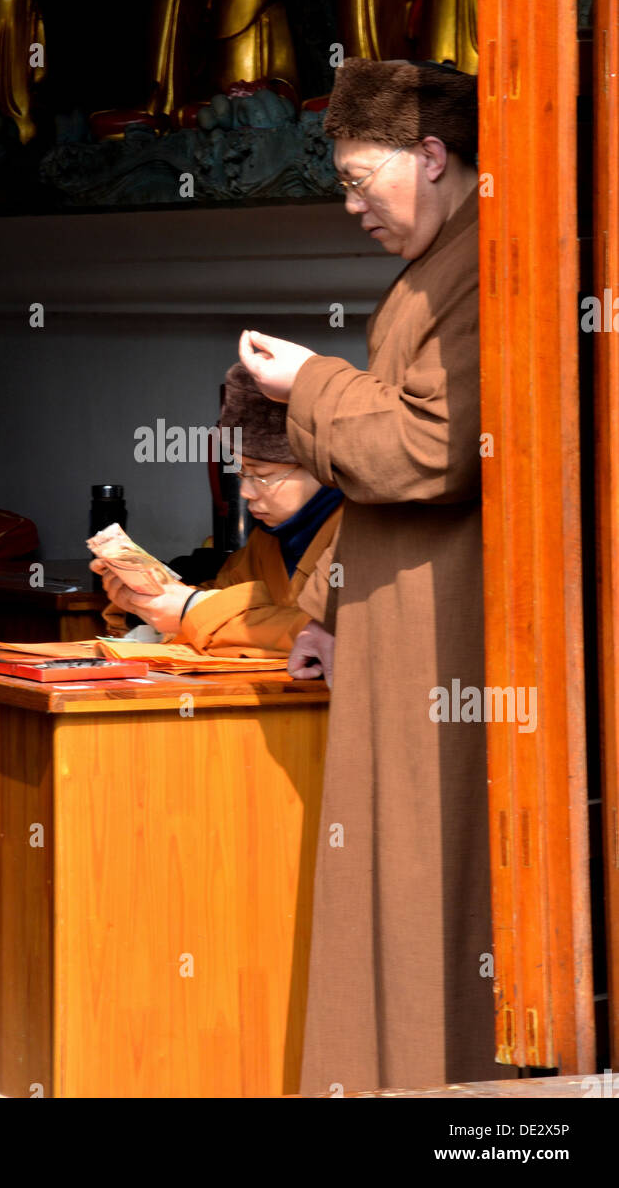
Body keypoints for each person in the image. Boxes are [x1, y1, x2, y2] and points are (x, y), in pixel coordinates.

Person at [239, 56, 515, 1094]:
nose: (351, 207)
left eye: (363, 179)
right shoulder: (438, 265)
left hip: (451, 638)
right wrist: (331, 609)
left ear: (434, 156)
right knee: (392, 890)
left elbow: (434, 451)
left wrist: (310, 382)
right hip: (398, 627)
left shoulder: (490, 264)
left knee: (431, 893)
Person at [92, 362, 343, 656]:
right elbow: (221, 598)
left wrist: (189, 609)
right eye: (241, 474)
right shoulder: (268, 541)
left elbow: (328, 632)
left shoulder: (363, 535)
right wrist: (148, 602)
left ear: (320, 468)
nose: (246, 493)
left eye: (262, 474)